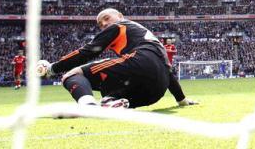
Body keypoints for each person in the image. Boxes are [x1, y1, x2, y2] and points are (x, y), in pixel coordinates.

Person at [36, 9, 196, 109]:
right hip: (155, 92)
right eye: (100, 24)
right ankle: (112, 101)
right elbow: (167, 71)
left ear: (120, 16)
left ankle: (88, 105)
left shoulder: (120, 25)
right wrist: (181, 100)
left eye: (106, 18)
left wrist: (52, 68)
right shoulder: (148, 38)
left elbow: (88, 52)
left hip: (140, 63)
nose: (104, 24)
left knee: (71, 75)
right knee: (110, 86)